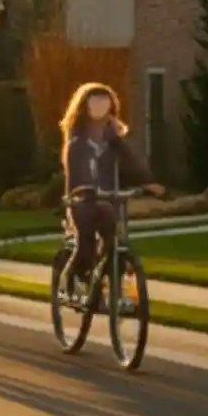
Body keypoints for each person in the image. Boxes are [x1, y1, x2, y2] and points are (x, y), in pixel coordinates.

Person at [60, 82, 165, 279]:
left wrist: (147, 182)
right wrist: (80, 194)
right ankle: (71, 276)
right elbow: (75, 174)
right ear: (84, 107)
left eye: (104, 102)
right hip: (83, 202)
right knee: (85, 245)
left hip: (107, 200)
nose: (100, 106)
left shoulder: (113, 140)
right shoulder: (77, 142)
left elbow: (130, 162)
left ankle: (107, 283)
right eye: (95, 102)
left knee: (113, 242)